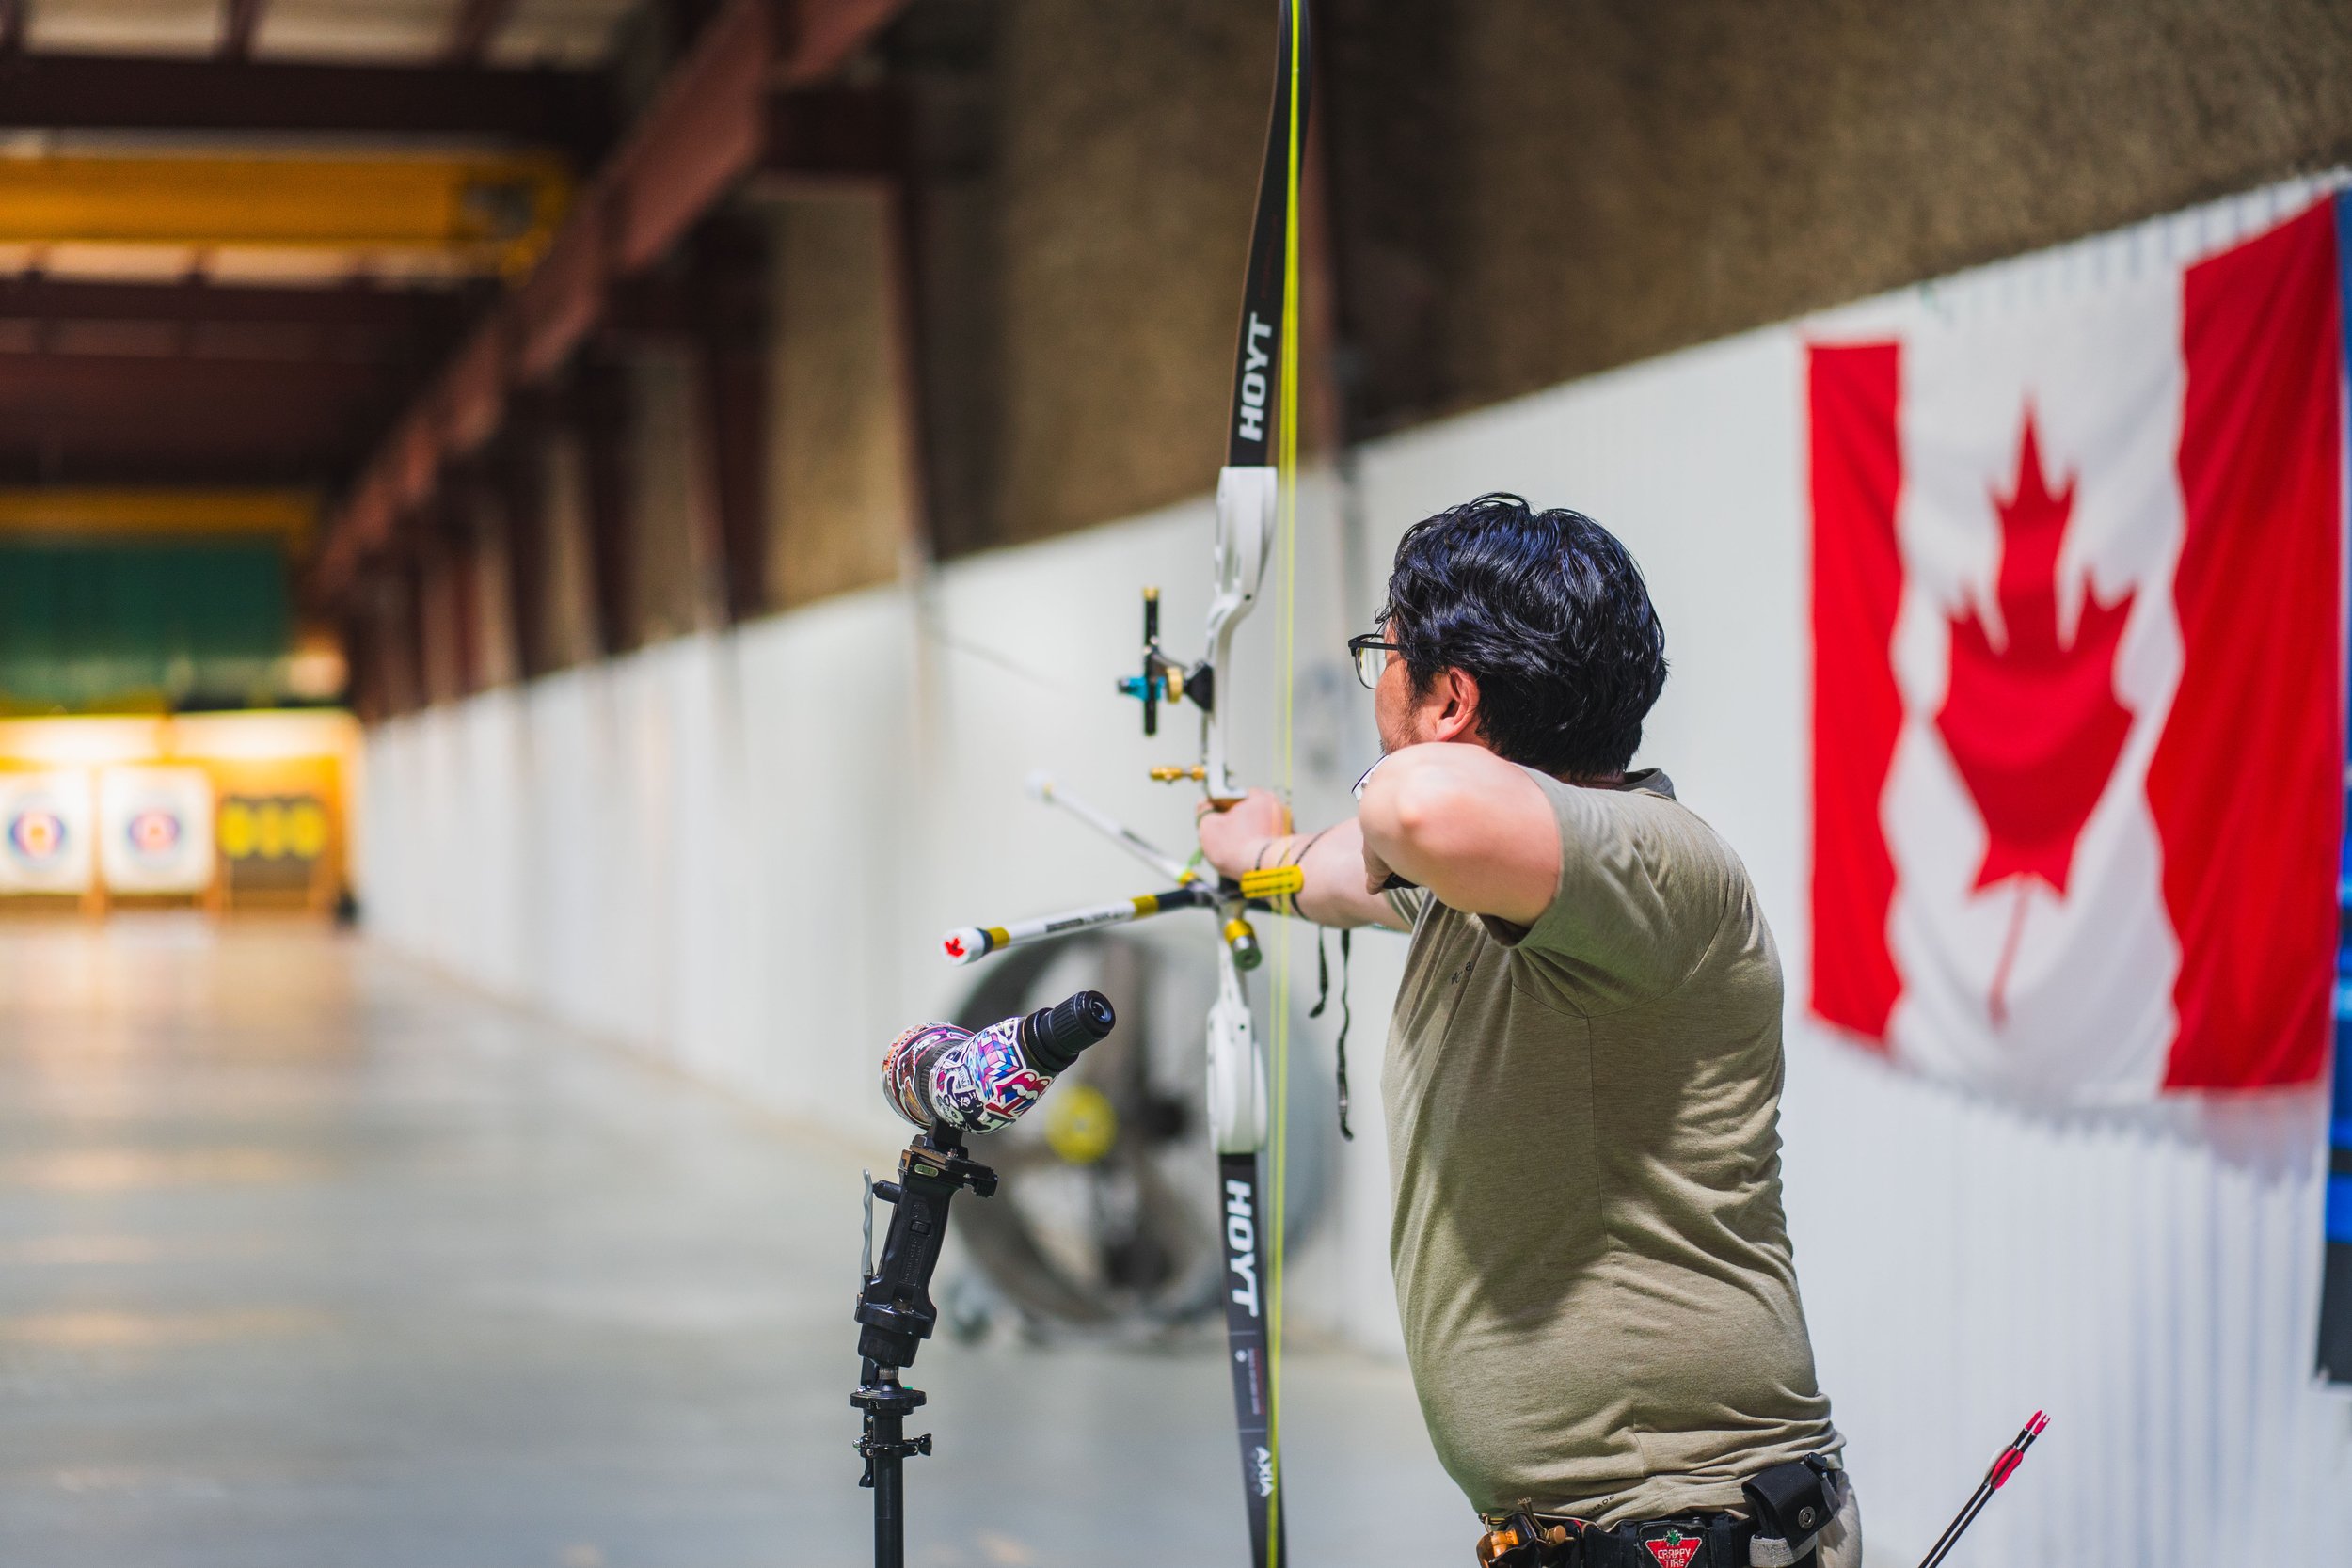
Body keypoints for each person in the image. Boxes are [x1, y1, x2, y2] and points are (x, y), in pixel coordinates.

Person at [1195, 494, 1860, 1567]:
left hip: (1693, 1523)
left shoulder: (1657, 860)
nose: (1379, 685)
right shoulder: (1493, 884)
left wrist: (1378, 803)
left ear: (1450, 699)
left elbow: (1414, 814)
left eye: (1388, 658)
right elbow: (1338, 866)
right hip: (1602, 1533)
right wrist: (1249, 853)